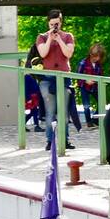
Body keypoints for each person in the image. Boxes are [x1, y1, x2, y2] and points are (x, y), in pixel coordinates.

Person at [36, 8, 74, 151]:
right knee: (50, 110)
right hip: (48, 78)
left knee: (63, 111)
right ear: (48, 23)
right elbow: (43, 53)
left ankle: (65, 140)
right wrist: (50, 39)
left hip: (64, 77)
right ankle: (50, 140)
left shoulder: (68, 36)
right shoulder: (42, 37)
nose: (54, 27)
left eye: (56, 24)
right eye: (52, 24)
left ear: (61, 23)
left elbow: (68, 54)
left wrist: (59, 39)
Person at [76, 42, 105, 125]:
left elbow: (101, 76)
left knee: (101, 102)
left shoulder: (99, 65)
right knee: (86, 105)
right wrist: (86, 81)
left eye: (99, 56)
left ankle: (95, 119)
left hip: (95, 87)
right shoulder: (83, 63)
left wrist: (97, 81)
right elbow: (78, 76)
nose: (97, 58)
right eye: (96, 56)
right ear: (91, 54)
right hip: (84, 87)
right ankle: (89, 122)